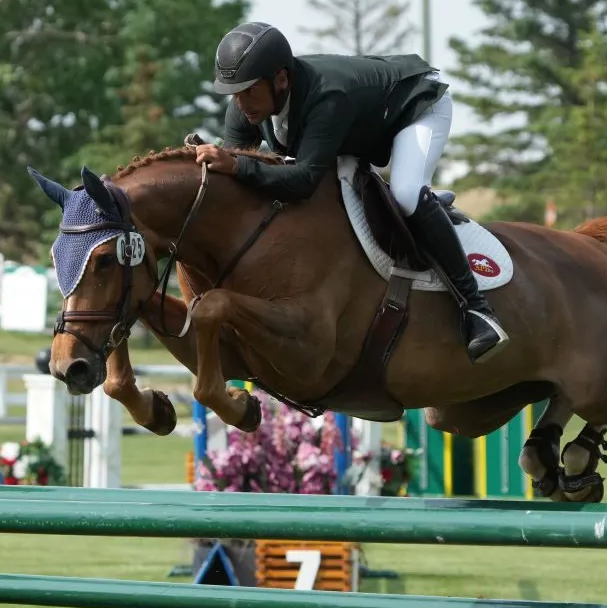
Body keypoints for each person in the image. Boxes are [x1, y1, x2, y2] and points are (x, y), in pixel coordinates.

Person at [192, 21, 510, 364]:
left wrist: (235, 166)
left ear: (281, 79)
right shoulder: (246, 105)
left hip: (416, 106)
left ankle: (477, 309)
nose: (240, 103)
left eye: (249, 91)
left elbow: (302, 181)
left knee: (406, 193)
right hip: (360, 124)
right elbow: (238, 180)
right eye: (234, 93)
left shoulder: (327, 97)